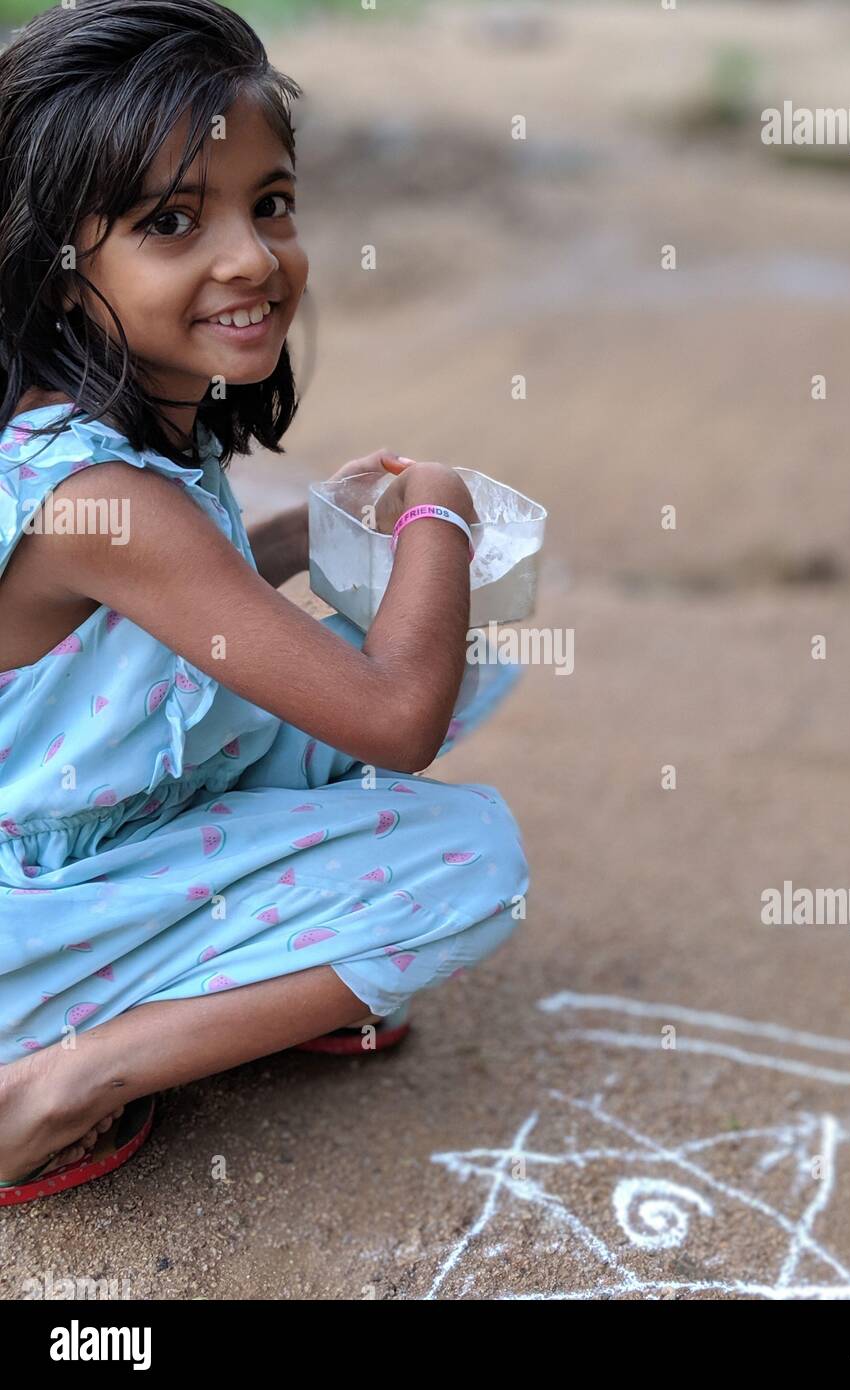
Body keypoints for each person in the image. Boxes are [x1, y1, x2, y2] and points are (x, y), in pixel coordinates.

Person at [0, 0, 529, 1205]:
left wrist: (315, 532)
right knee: (469, 857)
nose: (250, 256)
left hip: (94, 816)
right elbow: (393, 714)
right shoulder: (98, 493)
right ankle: (50, 1088)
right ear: (54, 260)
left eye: (270, 203)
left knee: (454, 637)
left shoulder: (107, 431)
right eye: (172, 220)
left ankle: (245, 977)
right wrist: (436, 510)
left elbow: (175, 596)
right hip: (36, 907)